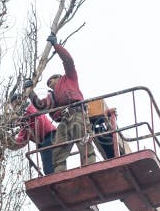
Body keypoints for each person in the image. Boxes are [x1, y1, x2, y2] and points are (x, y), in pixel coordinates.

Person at [22, 33, 96, 173]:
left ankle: (91, 169)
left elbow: (68, 60)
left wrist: (56, 46)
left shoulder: (69, 78)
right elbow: (40, 105)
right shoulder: (53, 97)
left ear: (58, 77)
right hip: (64, 121)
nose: (50, 84)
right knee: (58, 151)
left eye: (51, 81)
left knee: (84, 143)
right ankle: (59, 173)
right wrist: (30, 91)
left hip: (77, 114)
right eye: (48, 84)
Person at [8, 93, 57, 175]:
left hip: (51, 136)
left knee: (50, 168)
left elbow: (34, 116)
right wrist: (8, 141)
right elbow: (22, 140)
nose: (15, 107)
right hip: (43, 142)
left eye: (16, 103)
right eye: (13, 105)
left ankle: (55, 180)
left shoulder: (31, 108)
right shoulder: (24, 123)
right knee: (48, 168)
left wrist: (15, 122)